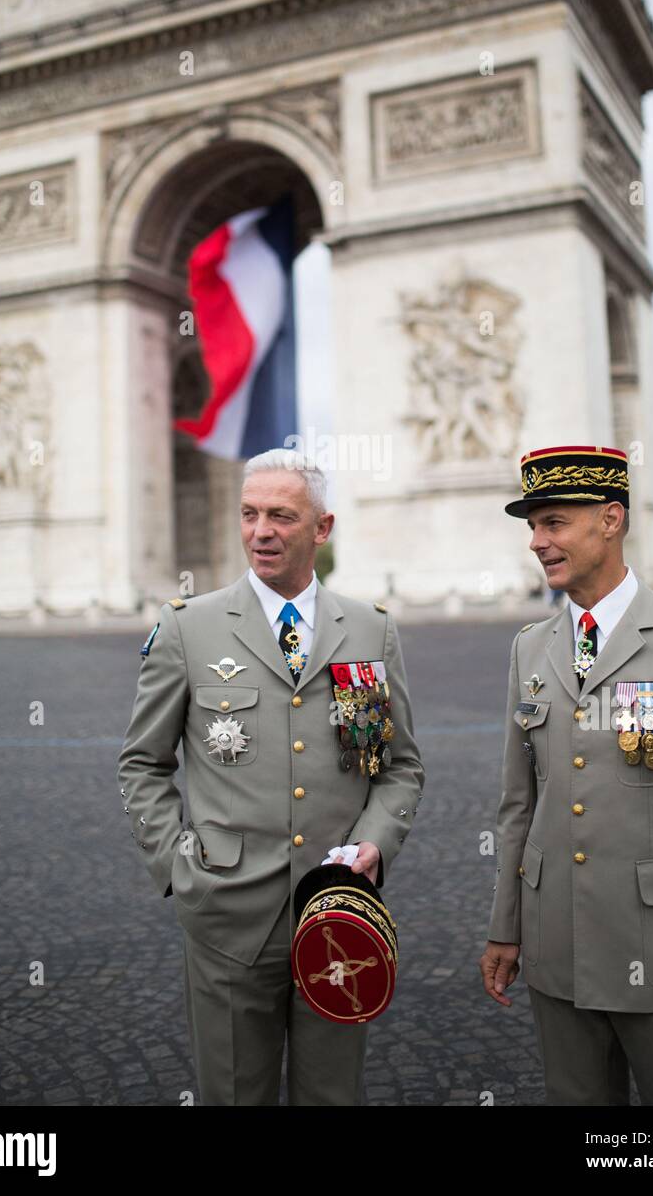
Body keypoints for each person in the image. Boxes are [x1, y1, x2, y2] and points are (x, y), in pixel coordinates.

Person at [118, 448, 424, 1105]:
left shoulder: (370, 632)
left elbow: (394, 765)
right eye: (250, 514)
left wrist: (377, 841)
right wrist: (176, 866)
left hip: (339, 917)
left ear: (323, 527)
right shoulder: (186, 629)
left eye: (282, 516)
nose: (261, 531)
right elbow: (143, 761)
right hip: (226, 914)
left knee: (332, 1097)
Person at [479, 444, 653, 1106]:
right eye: (532, 526)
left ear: (610, 520)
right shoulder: (530, 646)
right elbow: (517, 805)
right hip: (557, 949)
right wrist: (505, 927)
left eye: (552, 523)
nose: (537, 543)